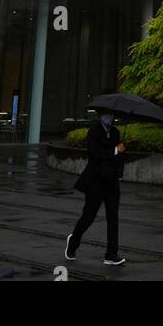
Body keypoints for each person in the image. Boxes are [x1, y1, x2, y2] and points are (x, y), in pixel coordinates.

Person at [65, 111, 126, 266]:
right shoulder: (93, 131)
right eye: (107, 115)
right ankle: (73, 242)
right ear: (100, 116)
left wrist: (119, 162)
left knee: (113, 218)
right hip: (95, 182)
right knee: (88, 217)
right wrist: (115, 150)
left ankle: (111, 255)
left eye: (112, 115)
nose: (109, 118)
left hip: (111, 182)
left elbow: (119, 157)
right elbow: (95, 153)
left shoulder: (116, 132)